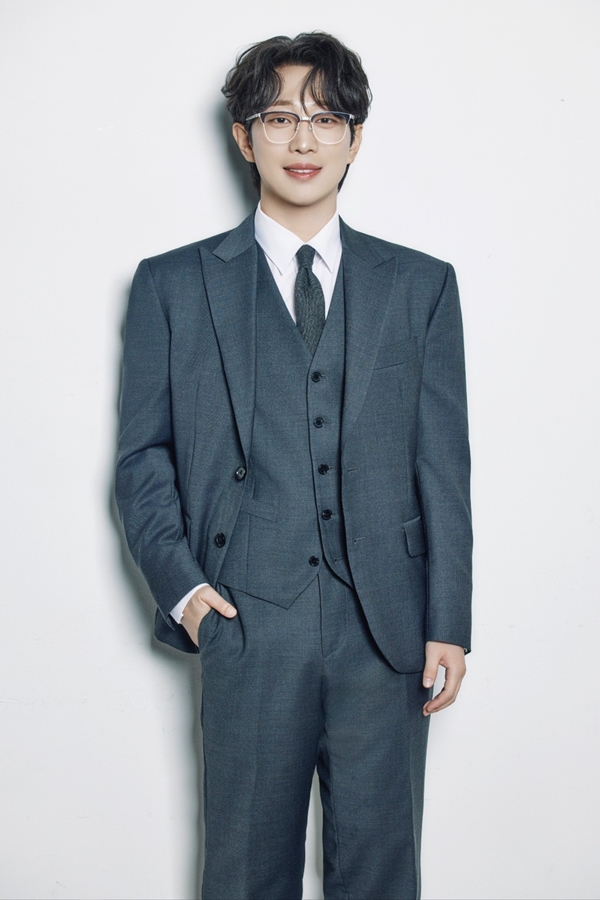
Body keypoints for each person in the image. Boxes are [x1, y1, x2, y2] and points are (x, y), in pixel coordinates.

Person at [115, 31, 472, 900]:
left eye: (326, 119)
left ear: (356, 136)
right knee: (244, 876)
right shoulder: (172, 285)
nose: (303, 140)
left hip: (387, 633)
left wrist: (450, 619)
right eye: (279, 119)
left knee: (383, 876)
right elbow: (142, 458)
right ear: (244, 137)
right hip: (246, 625)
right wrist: (188, 596)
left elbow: (443, 463)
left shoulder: (421, 286)